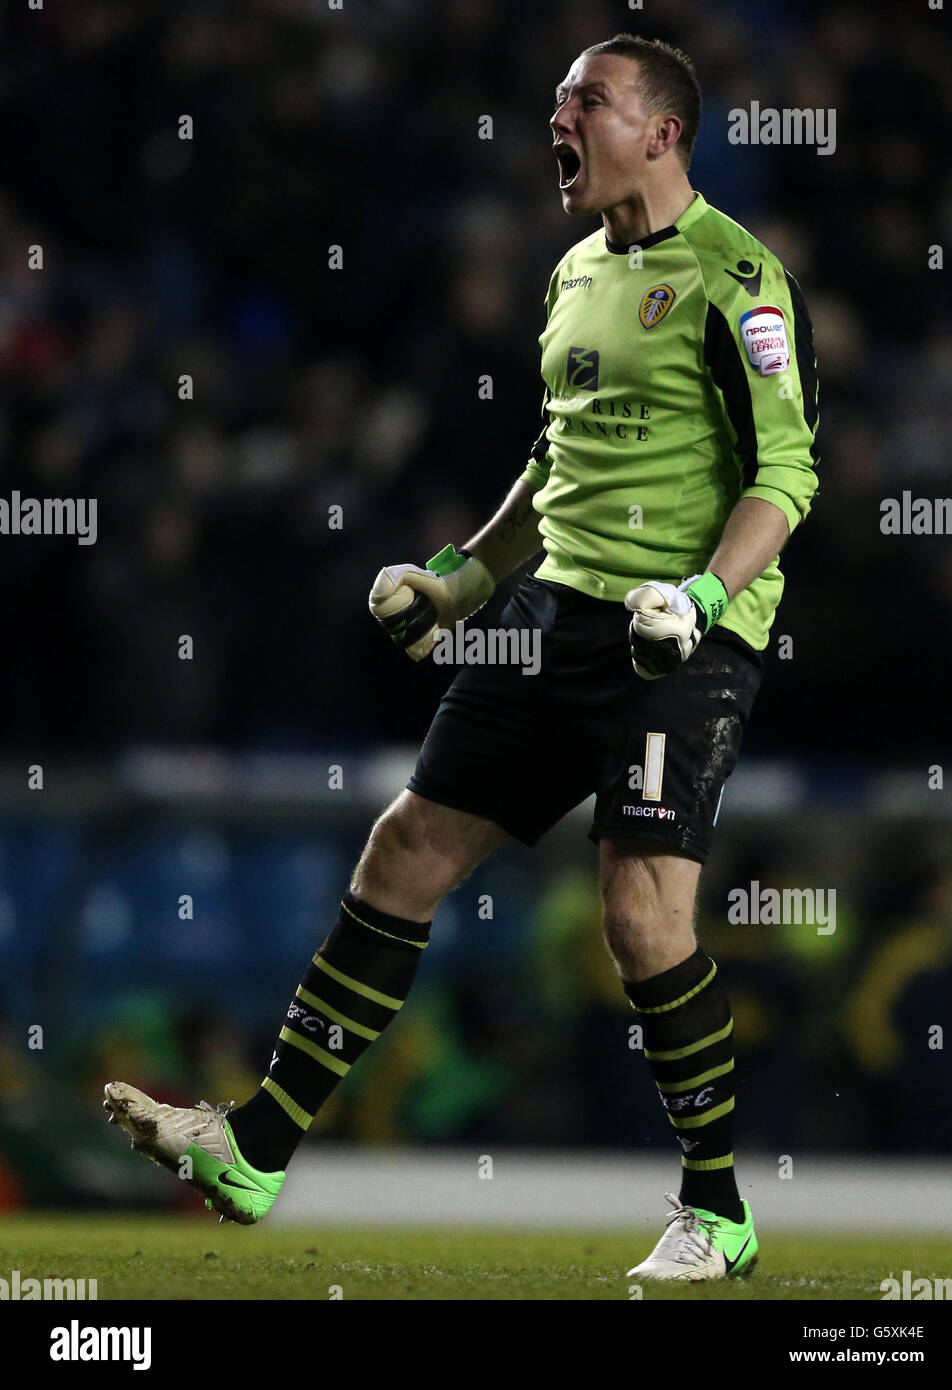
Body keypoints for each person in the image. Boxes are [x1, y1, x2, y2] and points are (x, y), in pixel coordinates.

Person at [105, 32, 819, 1283]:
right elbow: (553, 468)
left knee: (640, 917)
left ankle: (717, 1211)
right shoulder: (569, 277)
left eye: (585, 102)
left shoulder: (736, 278)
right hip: (559, 613)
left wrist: (703, 592)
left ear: (659, 130)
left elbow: (786, 473)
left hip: (680, 638)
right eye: (553, 102)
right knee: (406, 845)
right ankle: (255, 1147)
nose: (557, 121)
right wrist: (458, 579)